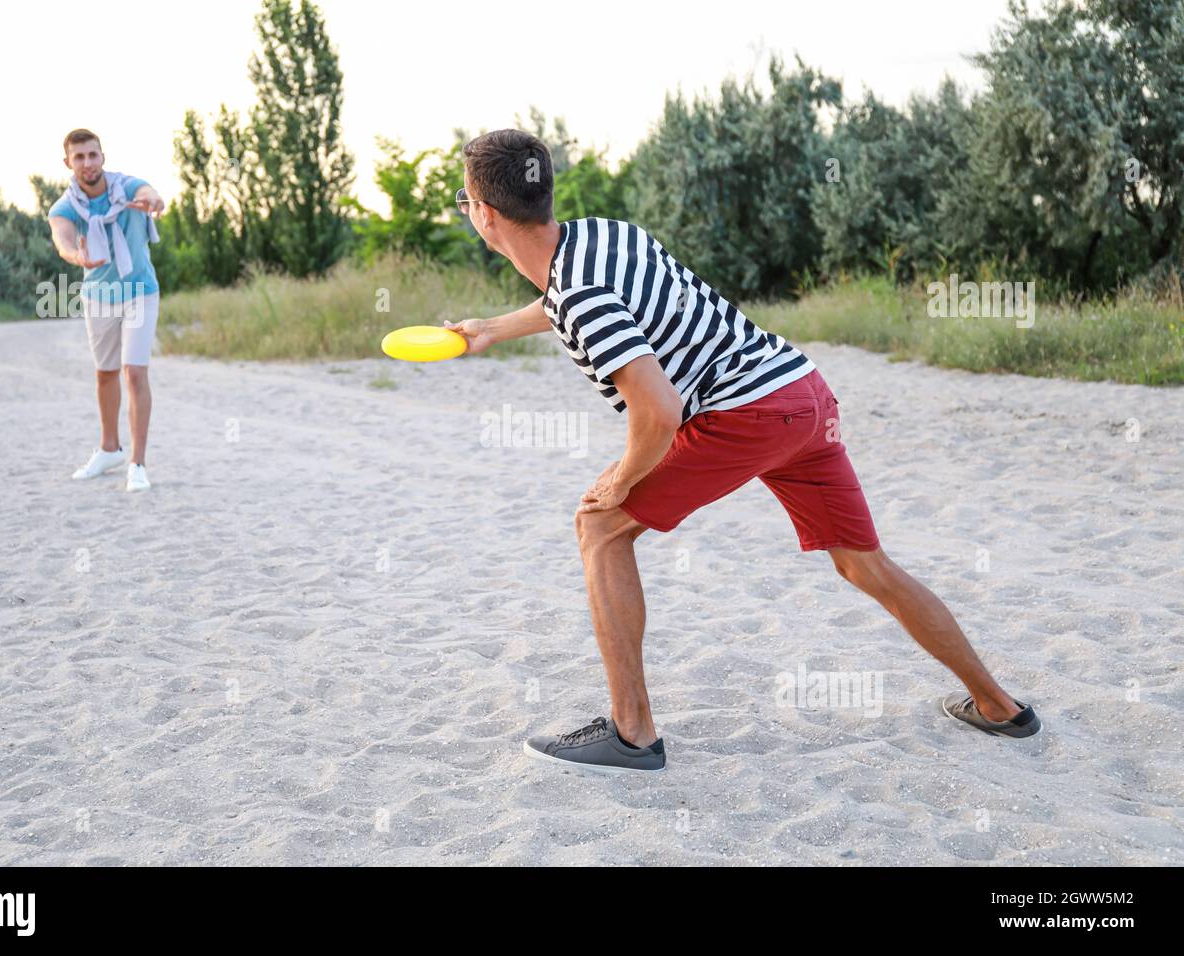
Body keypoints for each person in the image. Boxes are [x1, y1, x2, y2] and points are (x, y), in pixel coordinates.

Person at [444, 129, 1041, 774]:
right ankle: (999, 706)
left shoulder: (582, 297)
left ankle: (632, 733)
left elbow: (659, 411)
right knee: (865, 564)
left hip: (748, 414)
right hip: (804, 395)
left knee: (599, 527)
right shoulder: (602, 237)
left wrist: (622, 479)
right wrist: (492, 329)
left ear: (484, 213)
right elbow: (570, 300)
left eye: (463, 201)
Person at [47, 128, 164, 492]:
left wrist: (154, 201)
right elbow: (62, 238)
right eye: (79, 157)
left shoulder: (126, 188)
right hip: (98, 296)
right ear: (69, 163)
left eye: (92, 155)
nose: (87, 163)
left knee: (134, 372)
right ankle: (109, 448)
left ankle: (138, 465)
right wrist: (75, 255)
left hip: (139, 291)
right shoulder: (65, 206)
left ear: (102, 157)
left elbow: (148, 193)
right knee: (105, 374)